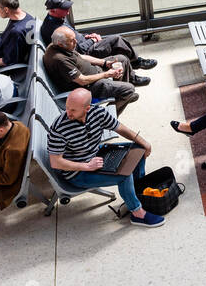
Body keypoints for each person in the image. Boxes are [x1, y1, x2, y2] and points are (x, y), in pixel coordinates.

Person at [47, 89, 163, 227]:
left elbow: (120, 128)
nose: (68, 113)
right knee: (124, 175)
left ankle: (136, 196)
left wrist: (143, 142)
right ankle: (137, 214)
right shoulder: (59, 128)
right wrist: (87, 166)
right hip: (77, 172)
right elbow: (55, 162)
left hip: (97, 154)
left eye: (73, 110)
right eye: (66, 107)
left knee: (138, 151)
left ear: (87, 108)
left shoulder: (97, 112)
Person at [39, 0, 156, 77]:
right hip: (85, 53)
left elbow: (75, 35)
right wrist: (93, 41)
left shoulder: (59, 17)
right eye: (64, 8)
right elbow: (75, 50)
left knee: (117, 44)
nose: (68, 9)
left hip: (86, 44)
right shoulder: (54, 29)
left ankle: (133, 66)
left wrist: (88, 36)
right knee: (116, 41)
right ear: (53, 11)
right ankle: (136, 63)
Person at [43, 25, 140, 111]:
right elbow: (82, 80)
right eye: (72, 41)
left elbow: (81, 56)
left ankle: (121, 95)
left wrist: (105, 63)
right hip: (89, 86)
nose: (76, 42)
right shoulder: (60, 60)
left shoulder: (58, 45)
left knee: (123, 59)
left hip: (94, 71)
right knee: (129, 89)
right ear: (60, 44)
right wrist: (106, 74)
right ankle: (106, 118)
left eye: (74, 38)